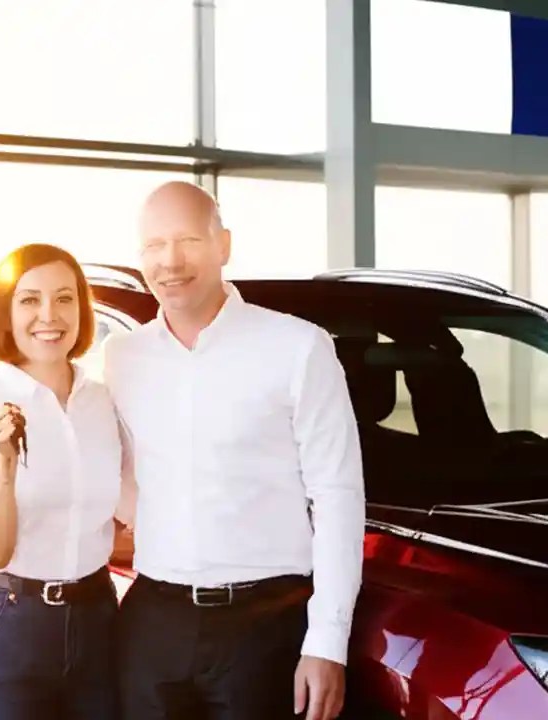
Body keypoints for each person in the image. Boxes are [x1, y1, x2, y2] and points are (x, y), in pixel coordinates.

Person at [104, 181, 366, 720]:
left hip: (264, 627)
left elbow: (338, 496)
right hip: (152, 621)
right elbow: (115, 474)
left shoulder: (298, 347)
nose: (170, 261)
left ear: (223, 244)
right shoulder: (121, 357)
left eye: (188, 240)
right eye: (154, 245)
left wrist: (327, 643)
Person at [0, 243, 125, 720]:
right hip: (12, 621)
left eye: (64, 298)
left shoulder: (104, 401)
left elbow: (135, 502)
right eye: (29, 300)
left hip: (98, 618)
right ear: (6, 312)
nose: (49, 315)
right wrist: (5, 468)